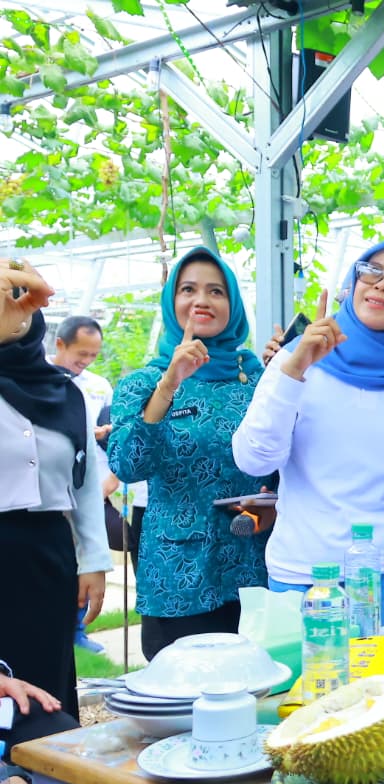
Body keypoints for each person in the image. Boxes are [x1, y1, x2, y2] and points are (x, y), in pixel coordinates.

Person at [234, 238, 384, 620]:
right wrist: (295, 369)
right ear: (353, 282)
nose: (382, 284)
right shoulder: (296, 359)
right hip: (305, 574)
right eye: (370, 272)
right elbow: (254, 461)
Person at [109, 247, 270, 660]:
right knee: (184, 701)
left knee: (259, 694)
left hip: (256, 565)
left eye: (216, 291)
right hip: (179, 572)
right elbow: (128, 465)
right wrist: (169, 385)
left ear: (232, 306)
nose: (202, 300)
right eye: (188, 289)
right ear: (172, 301)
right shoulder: (143, 382)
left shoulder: (256, 377)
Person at [1, 263, 110, 717]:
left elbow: (84, 486)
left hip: (48, 553)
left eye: (23, 301)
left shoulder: (67, 395)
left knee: (44, 683)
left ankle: (46, 780)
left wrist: (94, 560)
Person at [50, 315, 114, 654]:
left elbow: (109, 429)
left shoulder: (98, 385)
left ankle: (77, 629)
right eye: (81, 354)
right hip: (53, 491)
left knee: (84, 556)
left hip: (89, 482)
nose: (86, 362)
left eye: (93, 355)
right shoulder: (38, 380)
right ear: (60, 344)